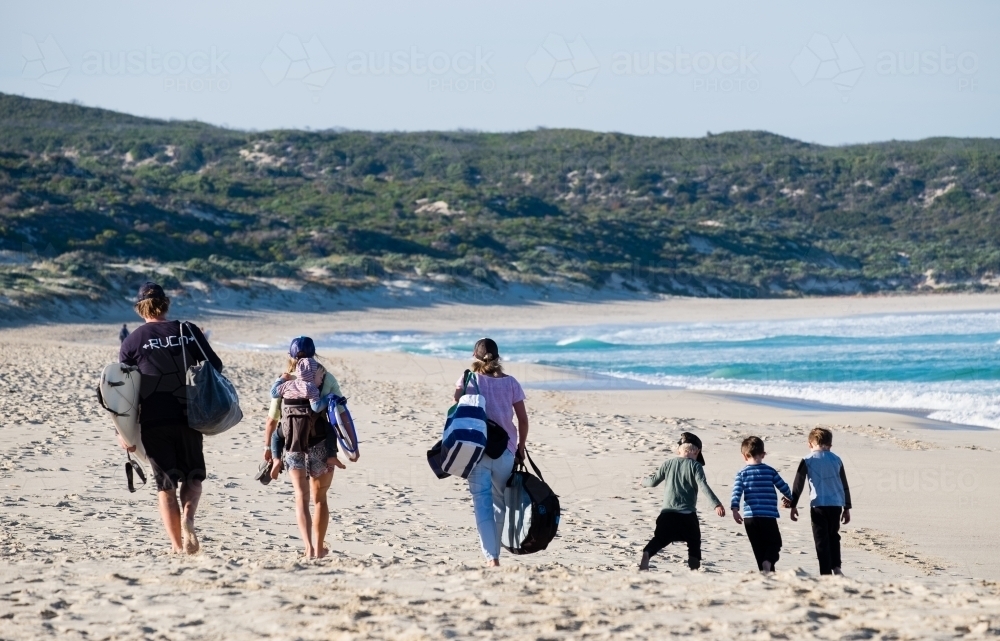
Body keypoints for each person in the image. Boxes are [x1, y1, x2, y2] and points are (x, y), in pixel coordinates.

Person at [118, 282, 223, 555]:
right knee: (193, 479)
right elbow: (215, 366)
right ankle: (189, 517)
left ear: (140, 308)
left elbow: (123, 392)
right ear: (166, 304)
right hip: (190, 415)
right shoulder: (187, 331)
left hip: (154, 419)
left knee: (165, 487)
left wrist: (124, 432)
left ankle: (177, 547)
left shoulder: (132, 341)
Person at [266, 336, 346, 558]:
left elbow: (273, 418)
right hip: (320, 442)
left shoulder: (284, 382)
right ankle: (319, 548)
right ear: (314, 355)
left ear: (290, 356)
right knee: (319, 499)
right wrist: (352, 447)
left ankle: (308, 548)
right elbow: (339, 414)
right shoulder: (325, 378)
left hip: (291, 443)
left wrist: (270, 448)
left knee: (300, 497)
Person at [453, 338, 528, 567]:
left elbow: (457, 402)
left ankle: (492, 558)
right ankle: (494, 555)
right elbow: (523, 421)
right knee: (499, 503)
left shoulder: (470, 379)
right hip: (505, 451)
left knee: (482, 504)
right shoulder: (511, 383)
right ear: (498, 357)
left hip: (476, 450)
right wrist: (520, 448)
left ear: (475, 357)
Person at [638, 432, 725, 571]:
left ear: (679, 449)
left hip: (667, 514)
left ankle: (647, 553)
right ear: (697, 451)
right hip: (687, 515)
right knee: (694, 541)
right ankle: (694, 567)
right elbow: (703, 486)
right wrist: (716, 504)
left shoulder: (667, 463)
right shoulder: (696, 466)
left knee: (660, 539)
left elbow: (653, 482)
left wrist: (643, 481)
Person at [788, 427, 853, 576]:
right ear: (830, 444)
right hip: (836, 505)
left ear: (810, 444)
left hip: (818, 505)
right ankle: (836, 567)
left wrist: (793, 505)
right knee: (833, 536)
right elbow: (844, 484)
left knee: (821, 540)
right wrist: (847, 507)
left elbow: (799, 483)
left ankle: (825, 572)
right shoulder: (837, 459)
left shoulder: (807, 459)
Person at [731, 436, 793, 573]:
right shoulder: (770, 471)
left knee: (758, 547)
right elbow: (783, 487)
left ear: (744, 456)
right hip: (768, 516)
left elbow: (736, 493)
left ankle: (766, 572)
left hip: (750, 517)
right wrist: (791, 498)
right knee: (775, 543)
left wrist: (735, 509)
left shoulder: (741, 474)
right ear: (763, 454)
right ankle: (768, 564)